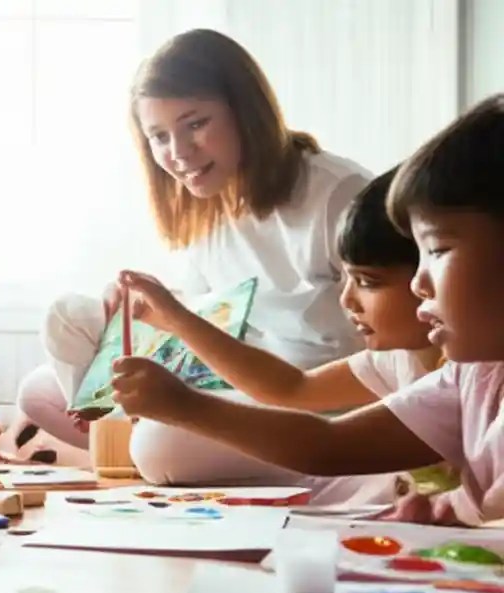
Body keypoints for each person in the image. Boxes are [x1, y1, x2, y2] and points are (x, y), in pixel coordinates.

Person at [110, 94, 504, 526]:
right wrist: (182, 398)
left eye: (439, 250)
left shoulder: (331, 184)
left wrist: (448, 515)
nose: (418, 283)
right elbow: (326, 440)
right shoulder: (473, 373)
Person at [13, 28, 369, 466]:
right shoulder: (206, 204)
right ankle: (129, 448)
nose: (179, 152)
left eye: (196, 124)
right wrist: (146, 308)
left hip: (310, 398)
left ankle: (139, 451)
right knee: (41, 383)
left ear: (246, 110)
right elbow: (212, 319)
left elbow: (400, 346)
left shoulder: (338, 194)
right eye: (159, 137)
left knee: (161, 445)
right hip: (233, 374)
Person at [122, 167, 455, 503]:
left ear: (428, 280)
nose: (347, 300)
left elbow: (328, 446)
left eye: (368, 282)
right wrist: (177, 319)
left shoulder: (462, 377)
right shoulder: (397, 359)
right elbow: (291, 386)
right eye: (346, 280)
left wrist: (185, 406)